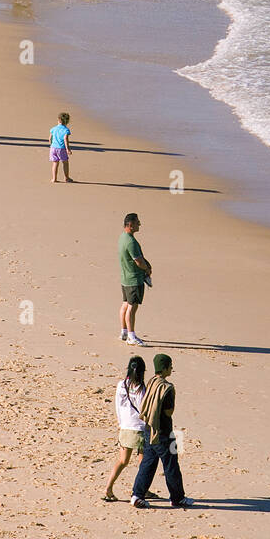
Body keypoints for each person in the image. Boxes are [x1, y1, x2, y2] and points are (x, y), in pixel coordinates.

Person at [130, 354, 192, 509]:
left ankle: (137, 495)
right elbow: (168, 412)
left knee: (148, 464)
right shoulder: (166, 387)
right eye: (170, 366)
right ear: (164, 369)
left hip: (149, 429)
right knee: (171, 465)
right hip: (163, 432)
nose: (171, 368)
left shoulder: (152, 382)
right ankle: (177, 498)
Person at [104, 356, 148, 501]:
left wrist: (120, 422)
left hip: (125, 426)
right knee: (143, 462)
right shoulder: (141, 388)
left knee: (123, 461)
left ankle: (108, 487)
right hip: (139, 427)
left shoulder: (121, 385)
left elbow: (117, 405)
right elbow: (143, 409)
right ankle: (142, 489)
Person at [119, 213, 151, 346]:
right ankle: (131, 336)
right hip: (133, 279)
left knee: (125, 304)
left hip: (125, 278)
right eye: (137, 223)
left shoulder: (123, 237)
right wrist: (147, 269)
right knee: (132, 307)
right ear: (130, 225)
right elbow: (138, 261)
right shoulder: (131, 242)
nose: (140, 224)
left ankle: (124, 332)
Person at [49, 111, 73, 182]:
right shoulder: (66, 130)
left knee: (55, 163)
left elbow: (50, 138)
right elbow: (65, 139)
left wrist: (51, 145)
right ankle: (66, 177)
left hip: (53, 148)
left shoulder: (53, 129)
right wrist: (68, 149)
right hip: (61, 148)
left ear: (58, 120)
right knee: (65, 162)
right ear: (67, 122)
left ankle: (54, 178)